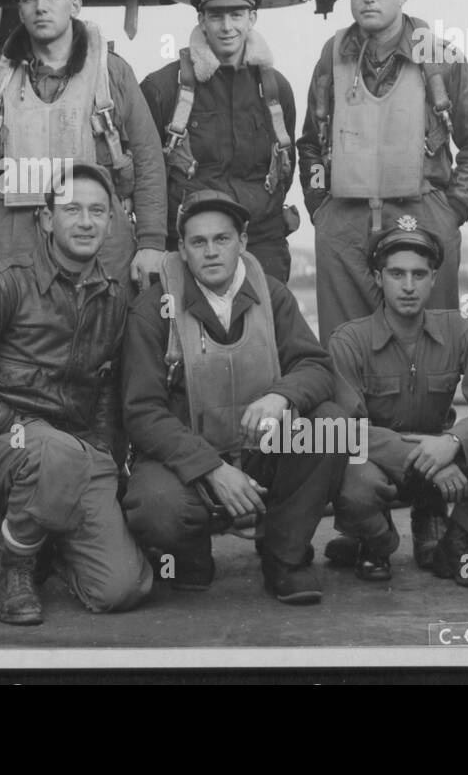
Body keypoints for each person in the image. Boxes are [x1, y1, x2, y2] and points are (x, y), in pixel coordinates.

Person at [0, 164, 153, 625]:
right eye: (72, 210)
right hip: (0, 445)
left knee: (122, 587)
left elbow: (108, 386)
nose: (86, 221)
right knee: (54, 452)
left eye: (97, 211)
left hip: (76, 451)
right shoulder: (4, 282)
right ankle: (16, 566)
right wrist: (10, 424)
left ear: (111, 222)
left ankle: (50, 542)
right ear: (47, 219)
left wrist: (108, 454)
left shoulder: (114, 298)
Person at [121, 190, 349, 605]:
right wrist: (210, 468)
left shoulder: (272, 294)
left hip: (258, 449)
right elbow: (142, 412)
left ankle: (285, 558)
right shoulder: (153, 309)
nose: (211, 252)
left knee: (329, 427)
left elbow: (316, 367)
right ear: (182, 250)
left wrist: (282, 396)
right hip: (187, 462)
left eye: (222, 239)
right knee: (155, 505)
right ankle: (188, 555)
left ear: (242, 242)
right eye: (198, 242)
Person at [298, 0, 468, 342]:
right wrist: (320, 204)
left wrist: (453, 208)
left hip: (422, 214)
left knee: (430, 346)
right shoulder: (332, 55)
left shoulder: (440, 56)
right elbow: (310, 143)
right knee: (344, 347)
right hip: (345, 223)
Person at [326, 218, 468, 587]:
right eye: (396, 274)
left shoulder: (462, 331)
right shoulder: (349, 341)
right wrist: (430, 460)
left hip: (447, 457)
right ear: (378, 278)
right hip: (384, 465)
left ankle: (454, 543)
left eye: (419, 274)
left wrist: (454, 443)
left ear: (434, 278)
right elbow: (347, 430)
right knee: (352, 477)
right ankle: (376, 542)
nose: (408, 286)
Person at [0, 0, 167, 291]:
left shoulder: (111, 73)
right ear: (20, 10)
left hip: (99, 242)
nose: (40, 6)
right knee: (17, 341)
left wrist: (152, 242)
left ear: (75, 4)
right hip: (14, 244)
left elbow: (147, 158)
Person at [139, 0, 298, 281]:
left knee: (266, 326)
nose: (227, 27)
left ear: (252, 19)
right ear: (201, 19)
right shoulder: (163, 88)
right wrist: (152, 242)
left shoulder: (276, 90)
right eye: (215, 15)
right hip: (189, 243)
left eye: (237, 15)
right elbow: (146, 173)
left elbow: (285, 167)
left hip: (260, 242)